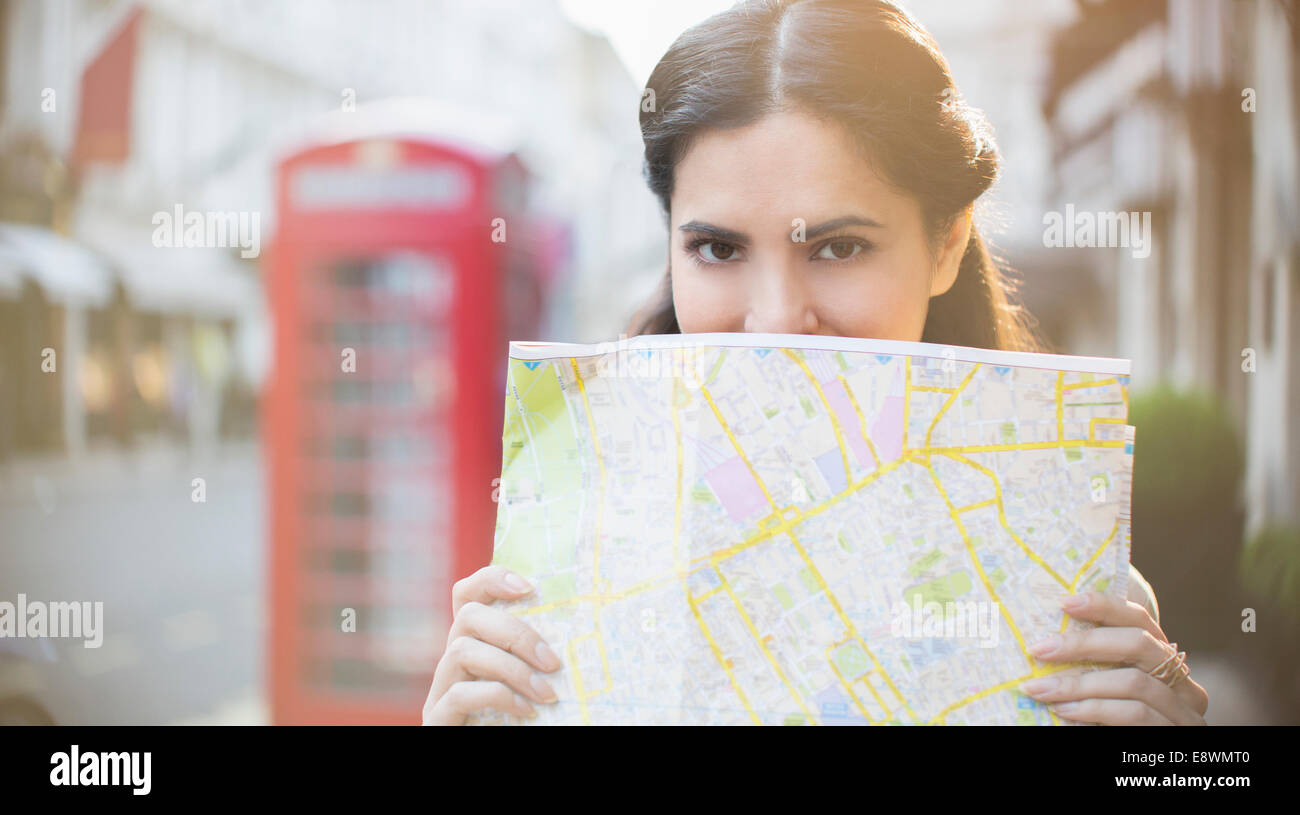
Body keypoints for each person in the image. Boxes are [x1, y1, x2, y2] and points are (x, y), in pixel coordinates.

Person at [423, 0, 1209, 725]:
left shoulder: (1067, 594)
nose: (774, 320)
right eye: (718, 248)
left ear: (946, 243)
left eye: (839, 247)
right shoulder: (567, 568)